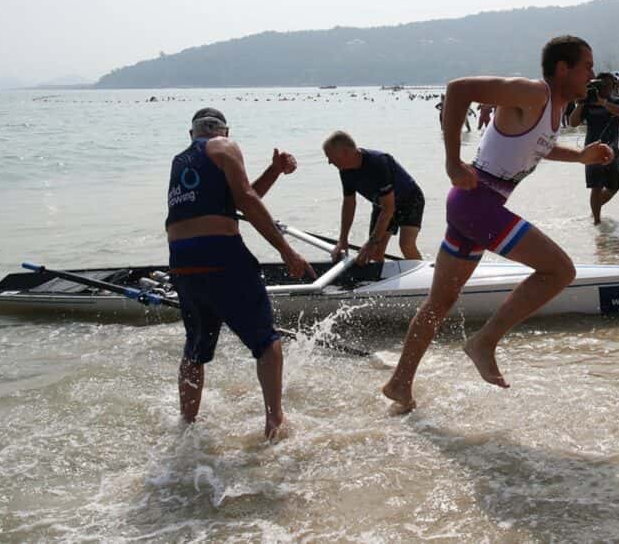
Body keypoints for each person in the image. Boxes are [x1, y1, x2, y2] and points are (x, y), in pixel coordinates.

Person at [381, 36, 614, 411]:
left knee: (440, 301)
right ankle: (484, 341)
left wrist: (581, 157)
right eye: (586, 65)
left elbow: (537, 146)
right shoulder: (533, 93)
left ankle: (399, 384)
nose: (591, 73)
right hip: (477, 202)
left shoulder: (552, 110)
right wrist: (452, 161)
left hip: (471, 208)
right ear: (562, 68)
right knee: (559, 271)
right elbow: (459, 90)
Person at [165, 108, 315, 440]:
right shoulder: (225, 145)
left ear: (192, 134)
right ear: (224, 131)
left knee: (195, 349)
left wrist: (273, 171)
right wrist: (286, 250)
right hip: (221, 255)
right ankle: (275, 423)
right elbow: (246, 198)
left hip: (182, 262)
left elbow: (236, 198)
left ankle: (186, 427)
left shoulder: (180, 161)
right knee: (266, 340)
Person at [322, 131, 425, 263]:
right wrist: (343, 239)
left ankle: (432, 280)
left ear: (346, 152)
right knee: (375, 254)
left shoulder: (378, 162)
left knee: (406, 245)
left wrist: (371, 242)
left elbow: (389, 208)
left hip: (409, 200)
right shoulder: (345, 171)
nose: (329, 162)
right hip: (382, 204)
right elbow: (349, 204)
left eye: (330, 157)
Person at [569, 73, 619, 224]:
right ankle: (597, 221)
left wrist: (604, 103)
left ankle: (595, 208)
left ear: (613, 86)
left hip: (612, 150)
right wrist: (581, 104)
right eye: (602, 85)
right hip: (592, 150)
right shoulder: (587, 103)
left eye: (608, 85)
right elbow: (573, 123)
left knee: (614, 188)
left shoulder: (616, 100)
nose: (605, 88)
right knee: (596, 186)